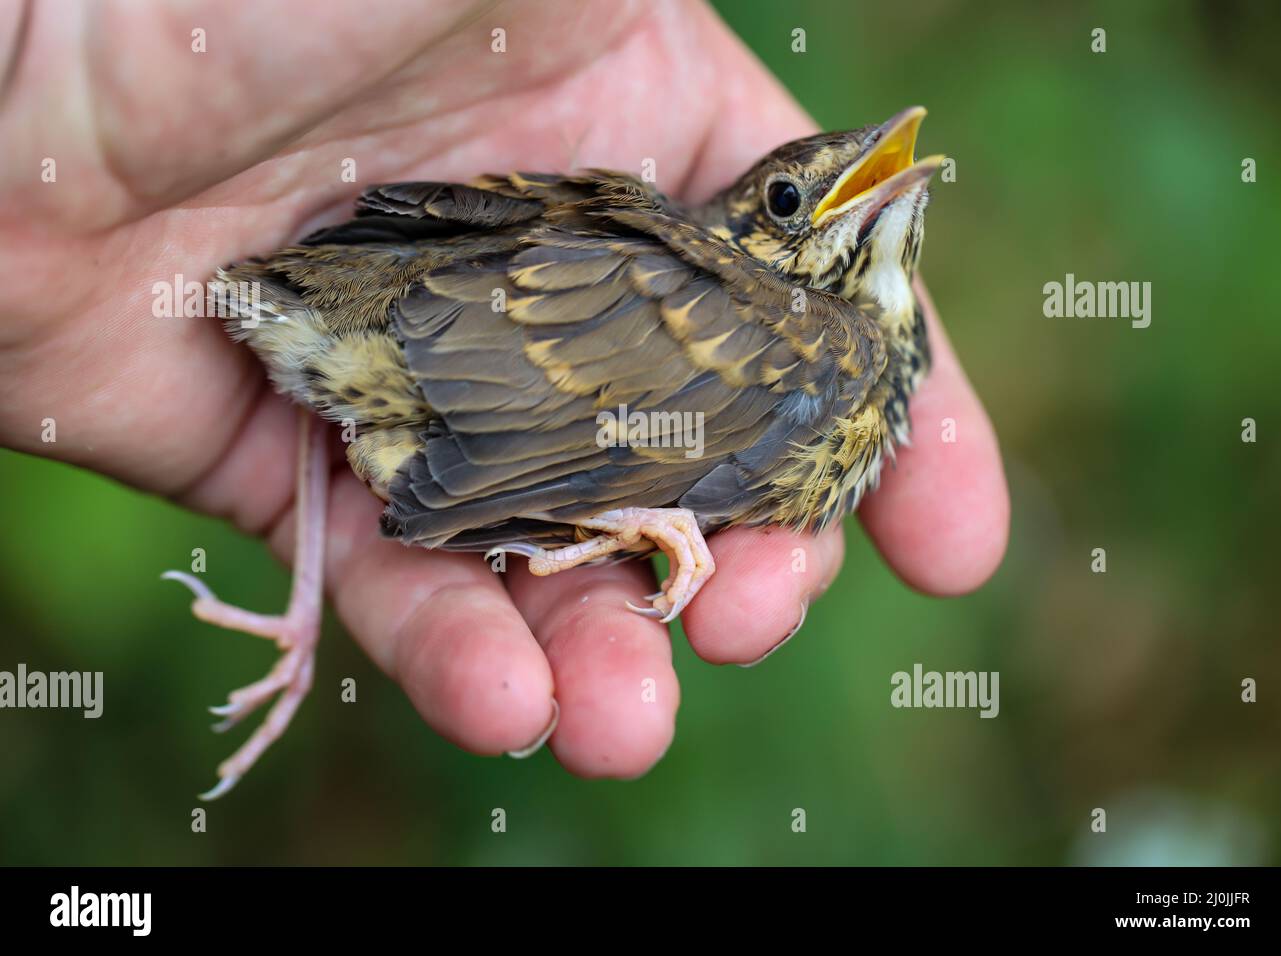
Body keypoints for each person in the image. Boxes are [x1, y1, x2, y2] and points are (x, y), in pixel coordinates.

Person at [0, 0, 1008, 778]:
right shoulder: (823, 345)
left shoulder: (818, 330)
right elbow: (573, 427)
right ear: (748, 221)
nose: (825, 202)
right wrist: (625, 514)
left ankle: (303, 598)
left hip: (390, 343)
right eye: (787, 202)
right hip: (418, 357)